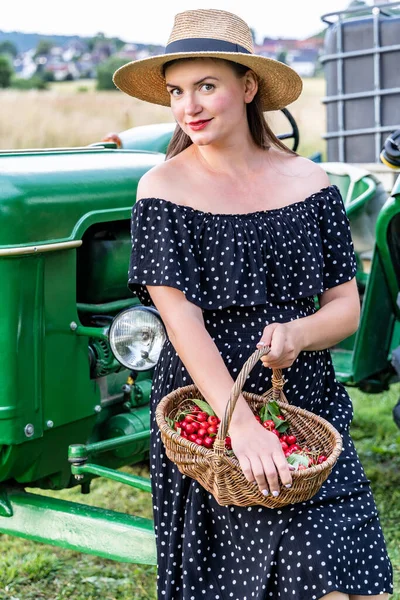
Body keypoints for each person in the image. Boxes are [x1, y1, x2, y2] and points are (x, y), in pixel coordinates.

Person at [113, 8, 393, 600]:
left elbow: (346, 308)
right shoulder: (161, 189)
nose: (189, 106)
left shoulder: (311, 182)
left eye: (206, 86)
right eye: (176, 91)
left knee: (358, 586)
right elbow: (181, 322)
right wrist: (240, 426)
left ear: (248, 86)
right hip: (211, 411)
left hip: (309, 408)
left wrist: (297, 335)